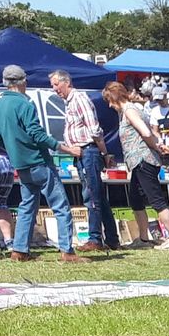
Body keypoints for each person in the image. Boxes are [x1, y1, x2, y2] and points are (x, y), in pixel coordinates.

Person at [0, 66, 82, 263]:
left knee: (27, 206)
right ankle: (67, 251)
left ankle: (19, 250)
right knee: (60, 206)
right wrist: (66, 149)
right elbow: (37, 134)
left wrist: (14, 149)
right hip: (39, 161)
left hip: (21, 164)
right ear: (22, 82)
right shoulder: (24, 104)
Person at [116, 83, 169, 249]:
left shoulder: (130, 110)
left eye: (109, 102)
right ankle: (144, 239)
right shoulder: (135, 109)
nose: (110, 106)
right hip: (137, 162)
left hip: (143, 160)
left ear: (114, 98)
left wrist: (155, 146)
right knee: (135, 200)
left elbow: (146, 132)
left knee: (156, 200)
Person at [53, 69, 114, 253]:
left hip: (88, 151)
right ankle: (112, 238)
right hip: (82, 153)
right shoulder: (69, 103)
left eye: (56, 84)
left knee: (91, 196)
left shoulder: (79, 99)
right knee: (98, 196)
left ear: (67, 82)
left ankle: (95, 239)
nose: (55, 89)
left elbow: (94, 128)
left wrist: (104, 152)